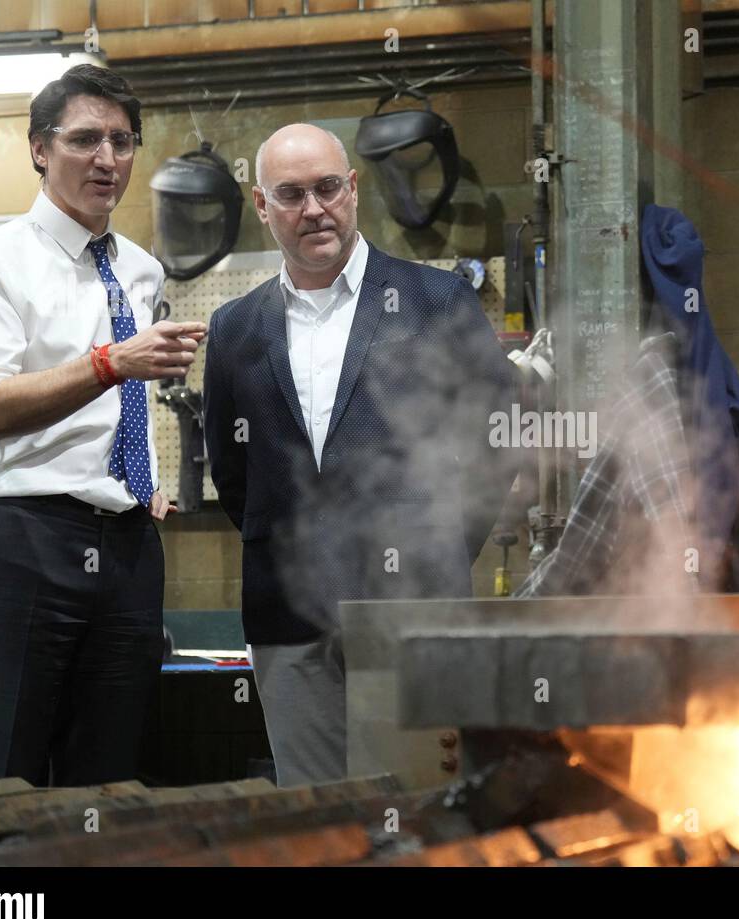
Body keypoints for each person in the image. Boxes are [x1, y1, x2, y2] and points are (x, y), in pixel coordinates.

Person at [203, 123, 518, 787]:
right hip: (288, 616)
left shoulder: (437, 301)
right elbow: (235, 477)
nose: (313, 209)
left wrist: (442, 546)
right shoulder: (234, 328)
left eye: (326, 189)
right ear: (262, 206)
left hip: (411, 608)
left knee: (418, 816)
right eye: (290, 194)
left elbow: (498, 440)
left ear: (352, 189)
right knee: (316, 821)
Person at [0, 64, 207, 785]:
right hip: (19, 542)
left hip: (124, 544)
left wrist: (141, 475)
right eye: (85, 139)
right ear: (38, 149)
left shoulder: (143, 270)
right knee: (1, 775)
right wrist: (111, 363)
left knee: (112, 775)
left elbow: (125, 403)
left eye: (123, 142)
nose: (107, 160)